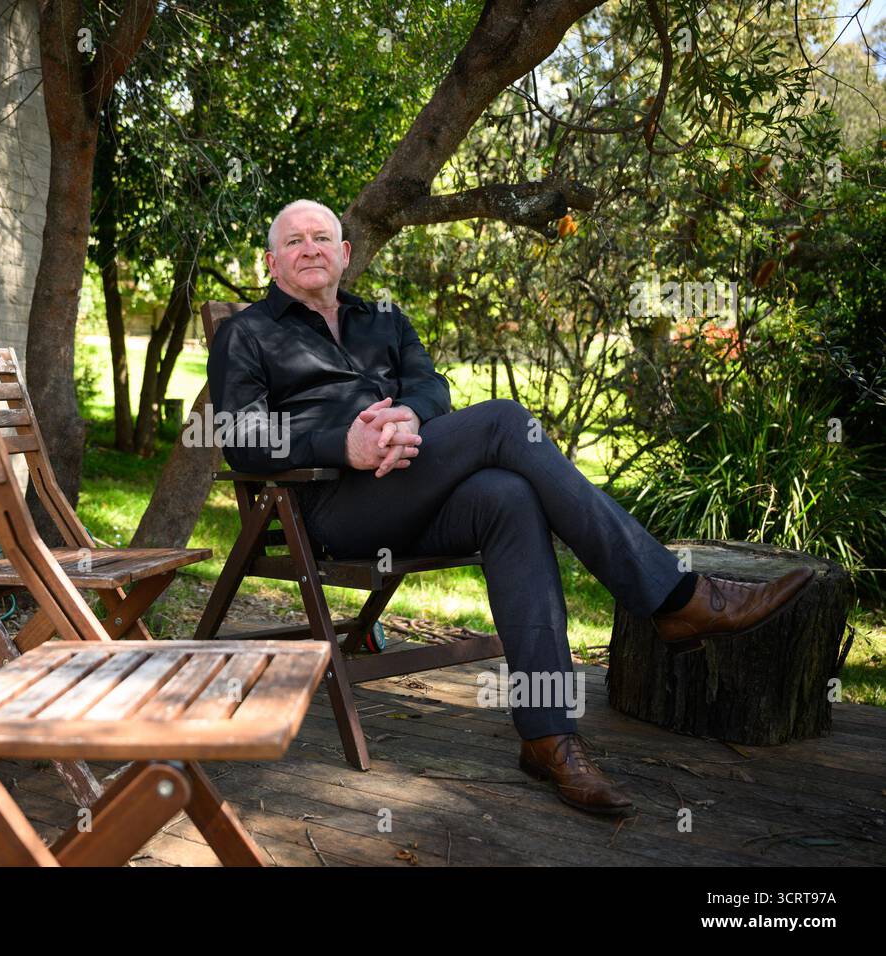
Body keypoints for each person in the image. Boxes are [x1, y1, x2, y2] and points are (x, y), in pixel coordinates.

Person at [207, 199, 813, 816]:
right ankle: (677, 599)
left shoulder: (383, 318)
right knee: (502, 420)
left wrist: (407, 414)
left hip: (411, 485)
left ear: (345, 253)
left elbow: (429, 386)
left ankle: (548, 737)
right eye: (294, 241)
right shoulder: (248, 334)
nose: (310, 248)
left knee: (510, 497)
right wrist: (347, 443)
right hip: (327, 506)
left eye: (322, 237)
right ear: (271, 261)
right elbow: (241, 434)